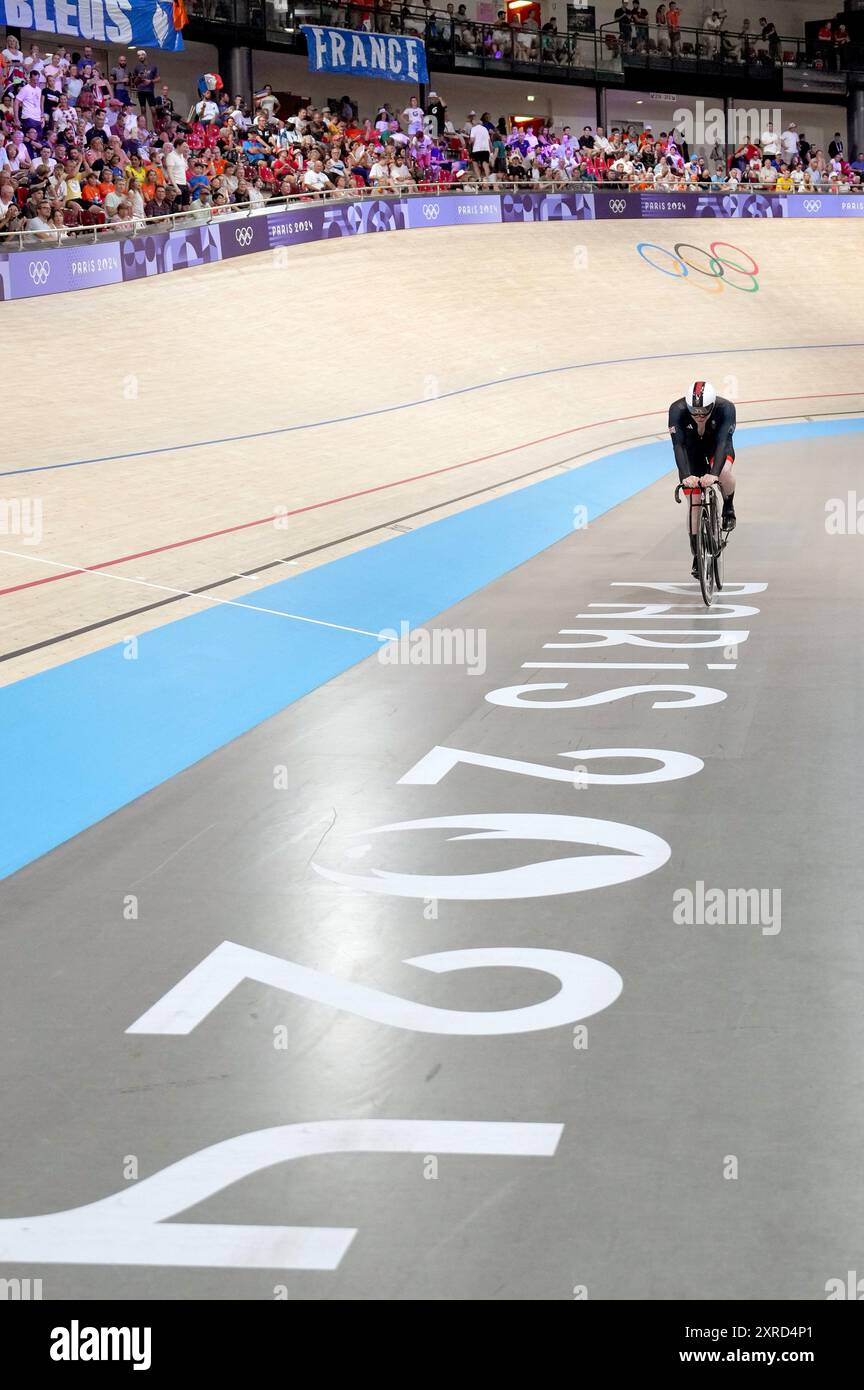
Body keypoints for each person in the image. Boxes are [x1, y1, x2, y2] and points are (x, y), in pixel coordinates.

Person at [669, 381, 736, 577]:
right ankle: (697, 554)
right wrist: (685, 476)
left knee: (723, 473)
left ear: (713, 405)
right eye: (694, 411)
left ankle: (729, 507)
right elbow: (678, 446)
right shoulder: (677, 410)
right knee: (694, 501)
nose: (699, 416)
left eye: (704, 412)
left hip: (717, 446)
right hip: (691, 450)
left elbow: (723, 442)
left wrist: (714, 474)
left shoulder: (726, 409)